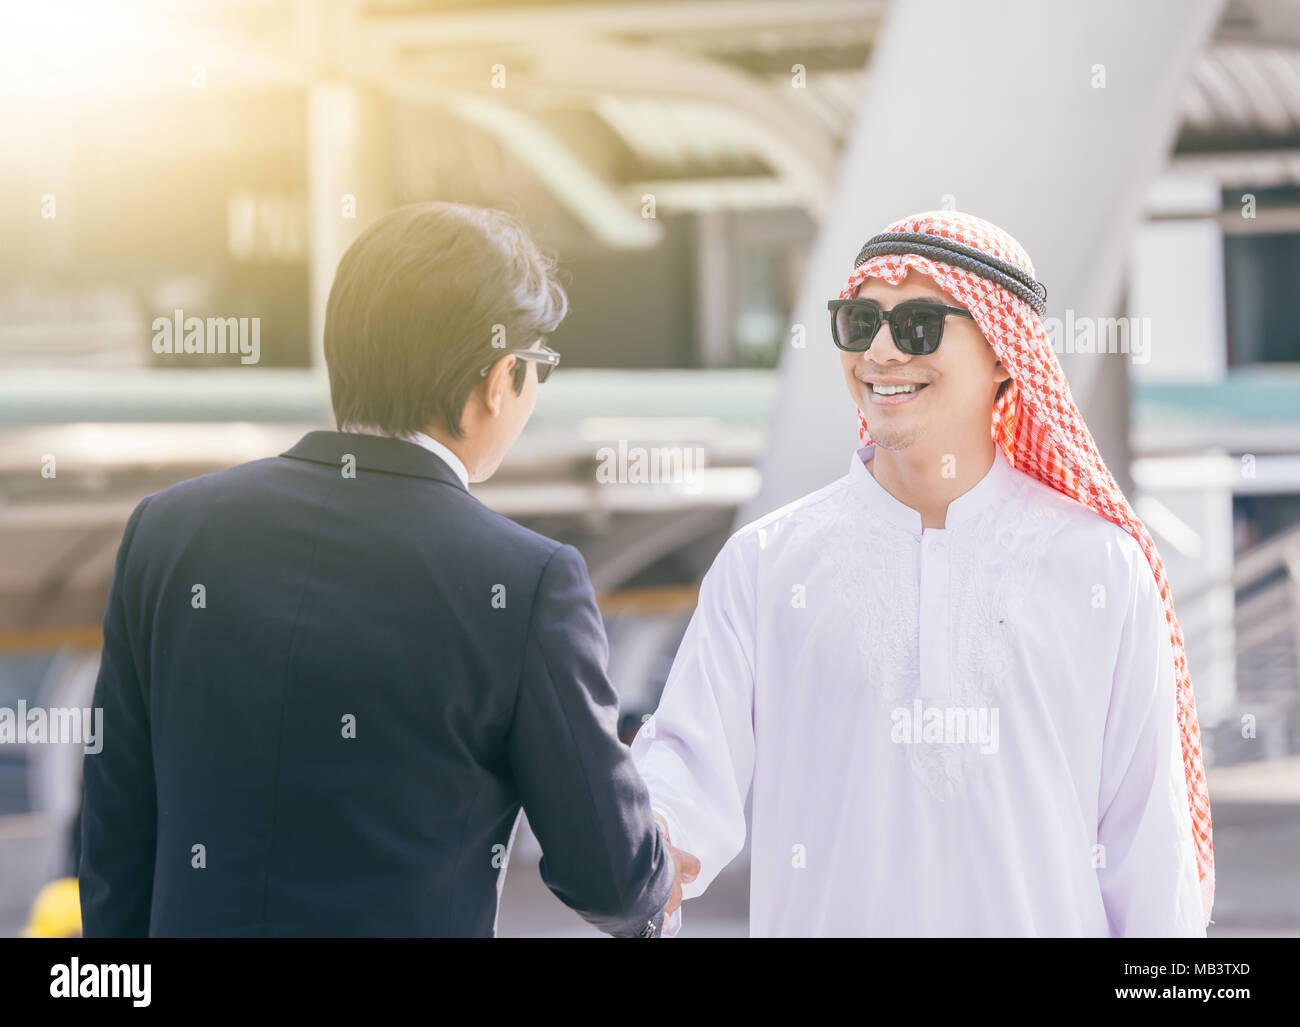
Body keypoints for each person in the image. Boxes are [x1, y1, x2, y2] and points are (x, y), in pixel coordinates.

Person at [79, 201, 696, 937]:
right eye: (539, 369)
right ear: (501, 378)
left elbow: (115, 839)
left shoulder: (170, 533)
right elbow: (611, 873)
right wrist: (655, 863)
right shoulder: (529, 584)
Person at [632, 210, 1213, 937]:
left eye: (917, 326)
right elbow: (685, 768)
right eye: (858, 321)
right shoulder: (766, 564)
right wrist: (636, 831)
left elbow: (1147, 846)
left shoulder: (1102, 568)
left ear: (1006, 352)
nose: (878, 351)